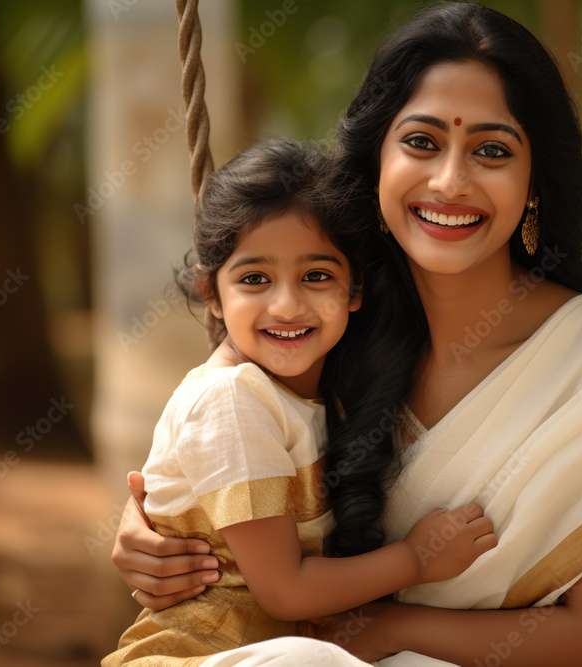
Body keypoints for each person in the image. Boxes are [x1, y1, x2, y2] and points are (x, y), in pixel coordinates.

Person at [111, 4, 582, 666]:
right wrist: (149, 526)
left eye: (491, 150)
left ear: (534, 183)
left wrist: (394, 627)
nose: (450, 181)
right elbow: (220, 409)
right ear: (375, 164)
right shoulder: (324, 322)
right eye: (422, 143)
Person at [102, 137, 498, 666]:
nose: (286, 306)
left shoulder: (321, 397)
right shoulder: (231, 399)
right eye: (255, 279)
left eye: (316, 276)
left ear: (354, 291)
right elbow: (283, 592)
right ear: (212, 293)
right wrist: (416, 559)